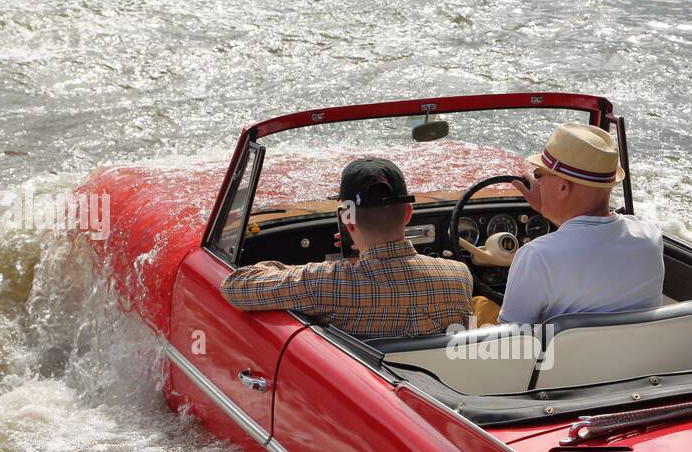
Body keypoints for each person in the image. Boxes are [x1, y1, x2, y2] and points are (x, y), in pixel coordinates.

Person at [221, 158, 473, 339]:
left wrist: (316, 268)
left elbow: (235, 287)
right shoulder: (459, 276)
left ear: (347, 219)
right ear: (408, 213)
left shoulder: (322, 283)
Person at [471, 123, 664, 327]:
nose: (538, 184)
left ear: (563, 187)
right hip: (636, 357)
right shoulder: (650, 237)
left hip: (552, 359)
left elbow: (511, 342)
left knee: (476, 304)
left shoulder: (537, 256)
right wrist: (552, 211)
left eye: (539, 175)